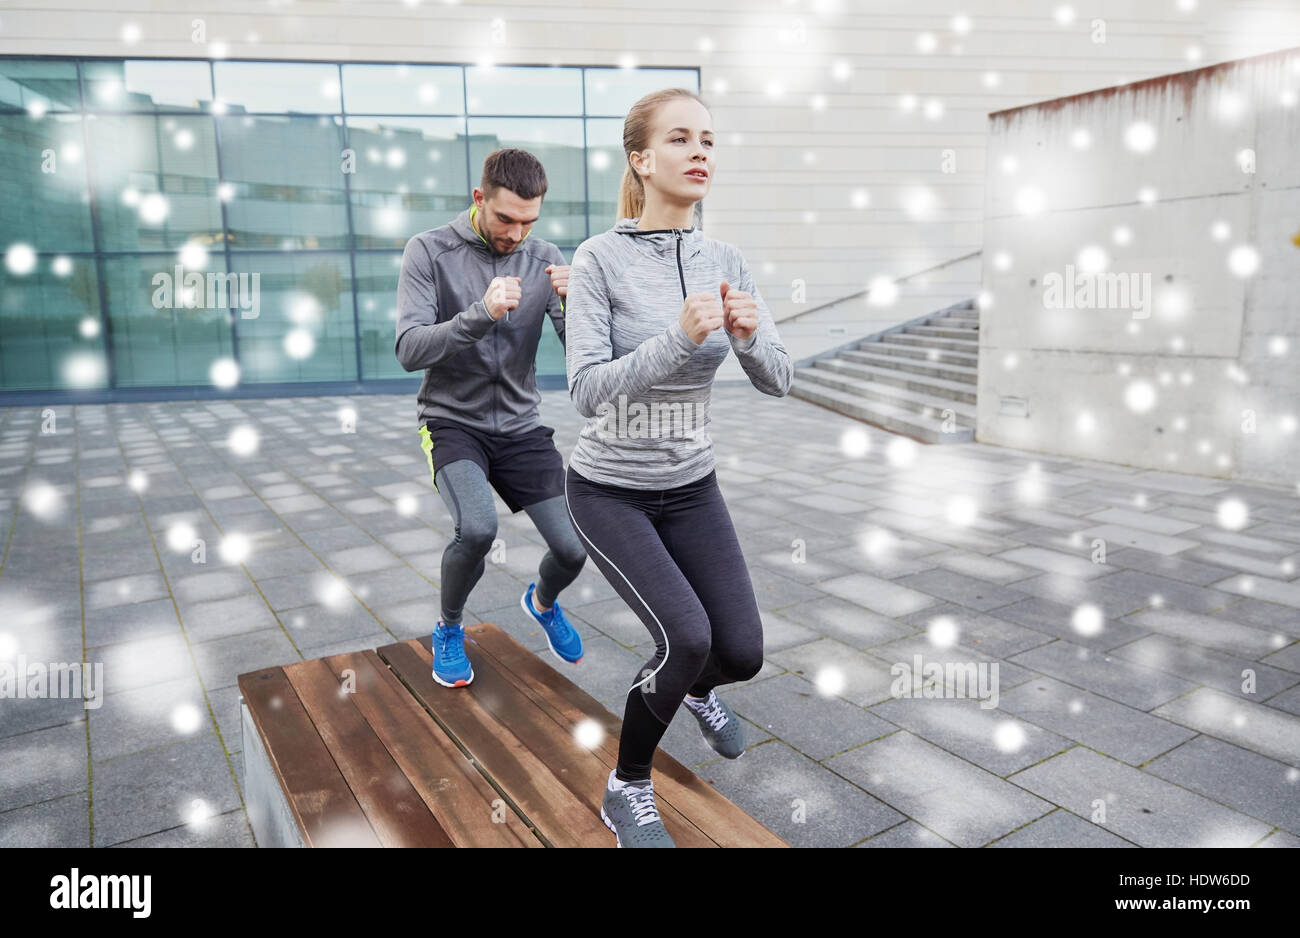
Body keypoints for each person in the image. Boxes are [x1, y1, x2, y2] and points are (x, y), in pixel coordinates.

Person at [562, 89, 793, 847]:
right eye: (681, 139)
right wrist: (675, 338)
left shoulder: (726, 260)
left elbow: (779, 379)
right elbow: (587, 391)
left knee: (743, 653)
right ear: (641, 158)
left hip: (691, 487)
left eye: (709, 140)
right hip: (608, 491)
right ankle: (626, 786)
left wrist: (754, 338)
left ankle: (694, 694)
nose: (701, 152)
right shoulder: (599, 259)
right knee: (685, 639)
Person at [395, 148, 587, 688]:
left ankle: (543, 602)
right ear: (479, 199)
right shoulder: (429, 251)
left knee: (574, 547)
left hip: (521, 427)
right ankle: (449, 627)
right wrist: (481, 313)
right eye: (506, 219)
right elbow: (410, 349)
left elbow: (581, 354)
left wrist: (577, 308)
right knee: (478, 528)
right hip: (453, 422)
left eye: (530, 221)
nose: (517, 234)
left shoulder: (544, 257)